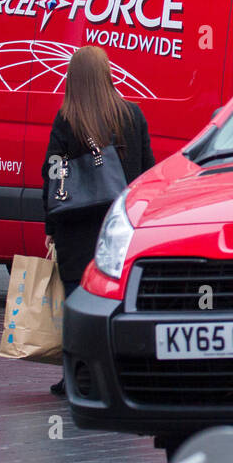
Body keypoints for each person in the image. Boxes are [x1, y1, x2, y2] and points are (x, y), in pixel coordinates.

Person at [43, 46, 153, 397]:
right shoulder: (132, 116)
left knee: (76, 301)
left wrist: (49, 227)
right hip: (118, 226)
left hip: (75, 228)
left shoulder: (67, 119)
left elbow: (52, 175)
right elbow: (147, 171)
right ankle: (119, 373)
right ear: (107, 74)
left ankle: (77, 376)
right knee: (117, 297)